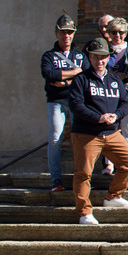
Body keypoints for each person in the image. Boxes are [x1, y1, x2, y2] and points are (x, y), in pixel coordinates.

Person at [67, 37, 128, 224]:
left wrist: (116, 116)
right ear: (89, 58)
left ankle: (113, 196)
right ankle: (84, 212)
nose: (100, 61)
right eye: (96, 57)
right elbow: (76, 106)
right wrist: (98, 117)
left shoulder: (114, 80)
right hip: (87, 134)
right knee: (83, 174)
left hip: (112, 133)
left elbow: (126, 103)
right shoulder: (81, 79)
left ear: (108, 58)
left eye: (104, 57)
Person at [42, 14, 88, 191]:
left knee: (81, 139)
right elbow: (50, 75)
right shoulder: (49, 56)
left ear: (74, 33)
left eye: (69, 32)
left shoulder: (80, 56)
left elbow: (84, 76)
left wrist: (65, 80)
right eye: (63, 32)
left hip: (77, 102)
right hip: (56, 101)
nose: (66, 36)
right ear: (56, 33)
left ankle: (83, 176)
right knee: (55, 138)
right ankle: (55, 179)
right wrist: (74, 73)